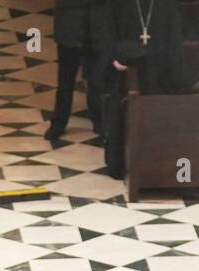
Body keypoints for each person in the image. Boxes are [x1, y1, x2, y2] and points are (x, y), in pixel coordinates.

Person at [93, 0, 186, 178]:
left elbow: (174, 39)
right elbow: (104, 31)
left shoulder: (165, 4)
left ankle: (158, 168)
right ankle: (119, 162)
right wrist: (112, 57)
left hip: (158, 73)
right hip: (126, 72)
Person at [48, 0, 103, 139]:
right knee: (65, 80)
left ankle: (99, 122)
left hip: (96, 27)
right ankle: (59, 122)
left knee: (96, 79)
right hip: (69, 25)